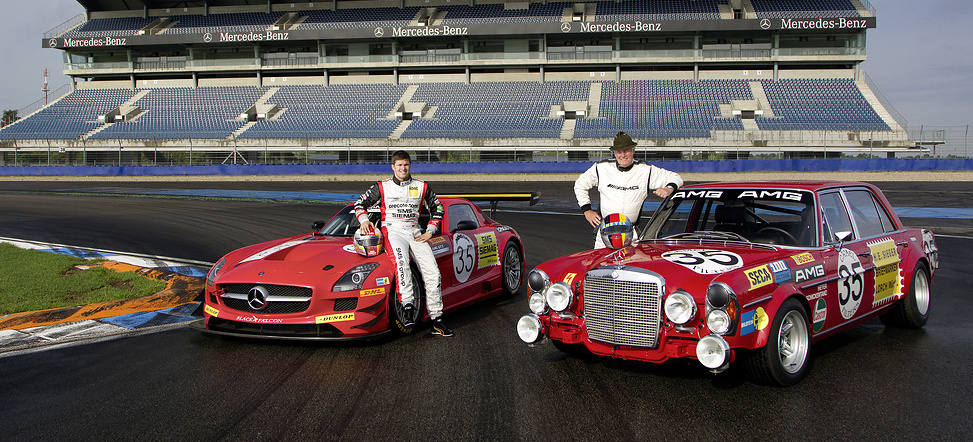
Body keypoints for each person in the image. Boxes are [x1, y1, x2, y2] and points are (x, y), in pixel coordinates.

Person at [354, 150, 453, 337]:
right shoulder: (382, 186)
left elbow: (438, 208)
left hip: (415, 232)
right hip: (393, 231)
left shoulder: (422, 186)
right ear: (393, 167)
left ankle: (437, 320)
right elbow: (359, 203)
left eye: (406, 164)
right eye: (399, 165)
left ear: (410, 165)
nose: (403, 168)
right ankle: (407, 308)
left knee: (433, 272)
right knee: (402, 265)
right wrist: (364, 220)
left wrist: (430, 231)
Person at [574, 131, 684, 249]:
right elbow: (580, 185)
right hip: (605, 234)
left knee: (631, 266)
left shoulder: (645, 171)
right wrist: (587, 210)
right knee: (602, 265)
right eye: (619, 152)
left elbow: (676, 178)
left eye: (626, 151)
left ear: (633, 150)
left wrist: (669, 188)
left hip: (632, 235)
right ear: (614, 153)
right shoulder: (601, 168)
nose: (623, 155)